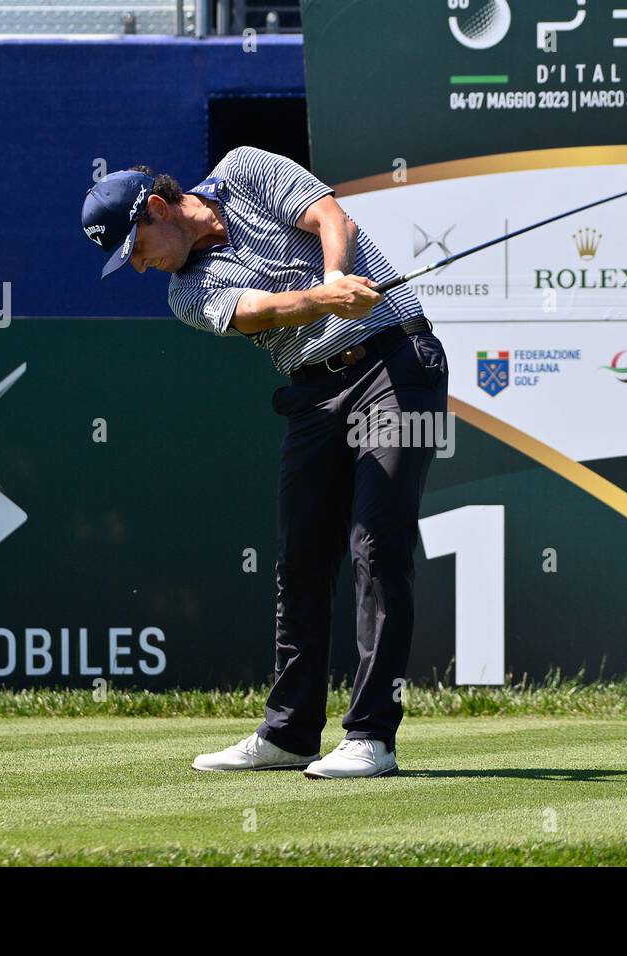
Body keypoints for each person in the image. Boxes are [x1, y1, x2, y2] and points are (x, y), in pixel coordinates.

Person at [81, 147, 448, 778]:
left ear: (160, 209)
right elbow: (258, 311)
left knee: (376, 544)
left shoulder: (246, 167)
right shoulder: (185, 292)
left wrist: (336, 276)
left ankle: (371, 737)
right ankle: (290, 734)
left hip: (397, 364)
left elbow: (333, 219)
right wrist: (327, 299)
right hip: (311, 393)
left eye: (136, 249)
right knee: (301, 560)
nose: (140, 267)